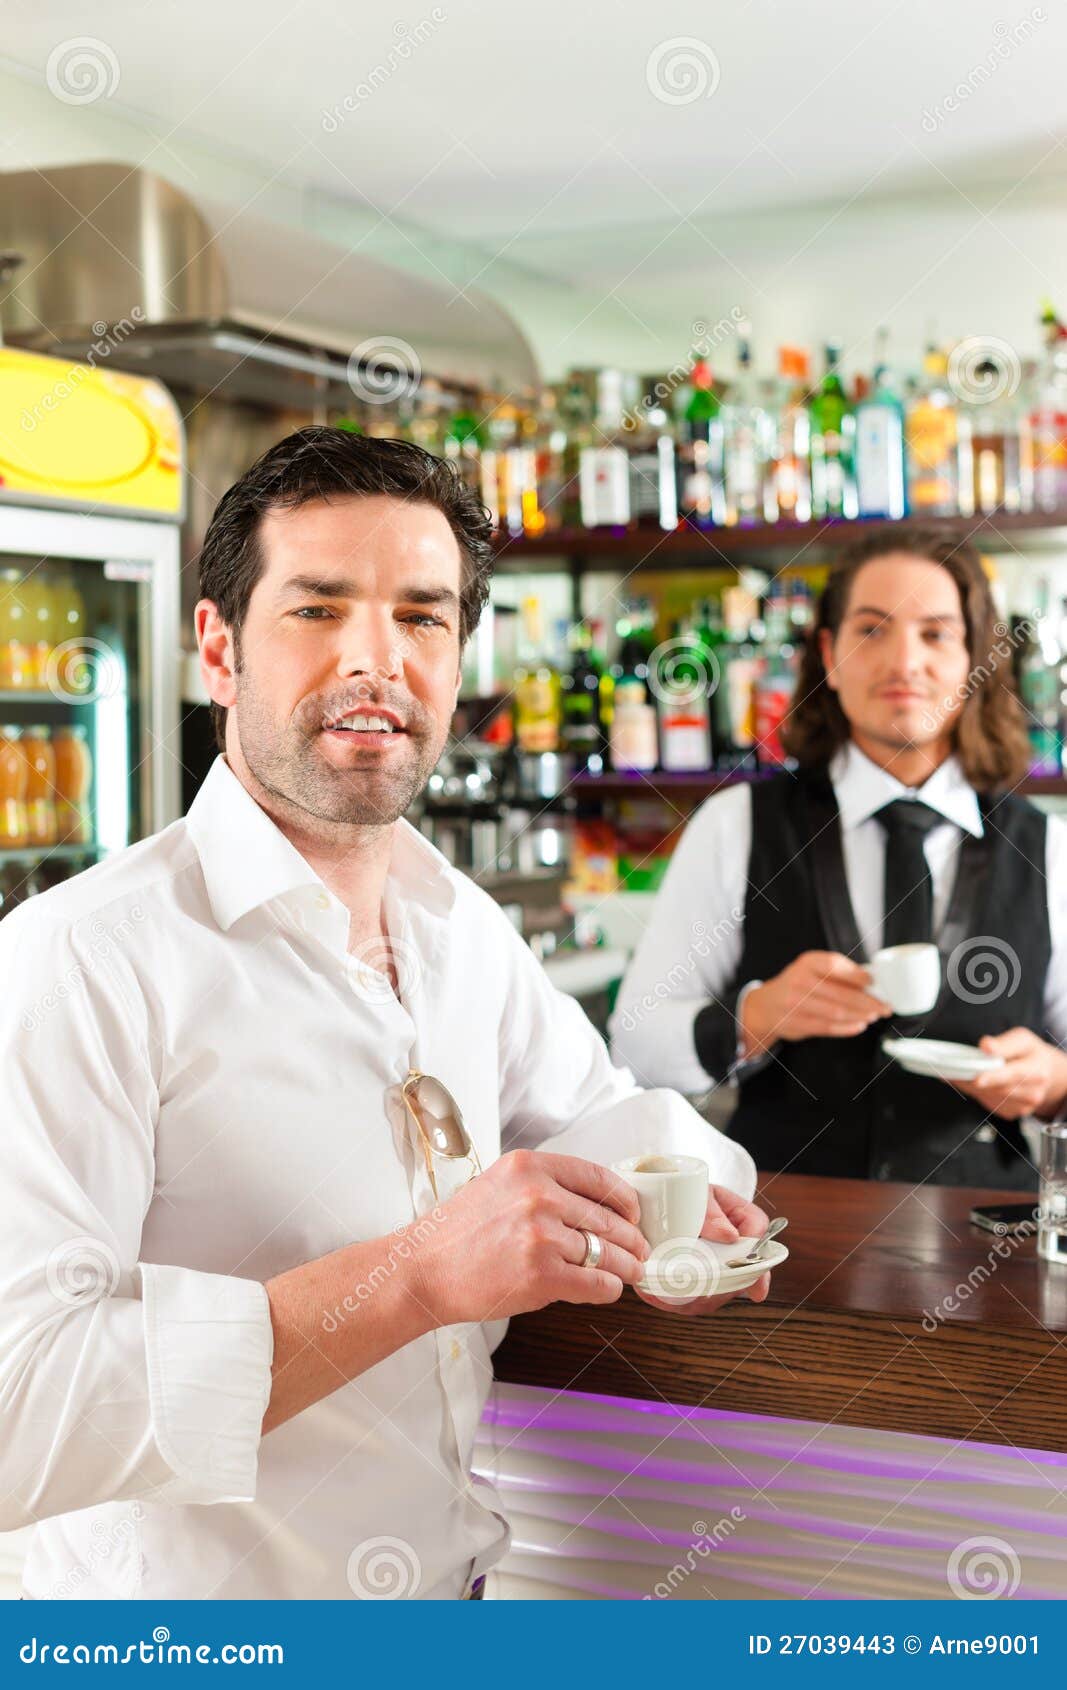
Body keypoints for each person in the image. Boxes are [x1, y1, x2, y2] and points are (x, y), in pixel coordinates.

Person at [0, 427, 767, 1603]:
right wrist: (412, 1276)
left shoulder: (459, 928)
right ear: (218, 648)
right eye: (318, 608)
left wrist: (691, 1215)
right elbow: (20, 1410)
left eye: (422, 616)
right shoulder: (77, 960)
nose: (378, 660)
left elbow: (608, 1115)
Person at [612, 524, 1067, 1189]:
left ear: (976, 659)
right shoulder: (738, 824)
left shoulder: (1045, 846)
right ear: (827, 653)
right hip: (781, 1230)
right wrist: (758, 1015)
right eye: (871, 629)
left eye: (935, 633)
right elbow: (634, 1043)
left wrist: (1053, 1082)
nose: (903, 662)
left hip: (982, 1239)